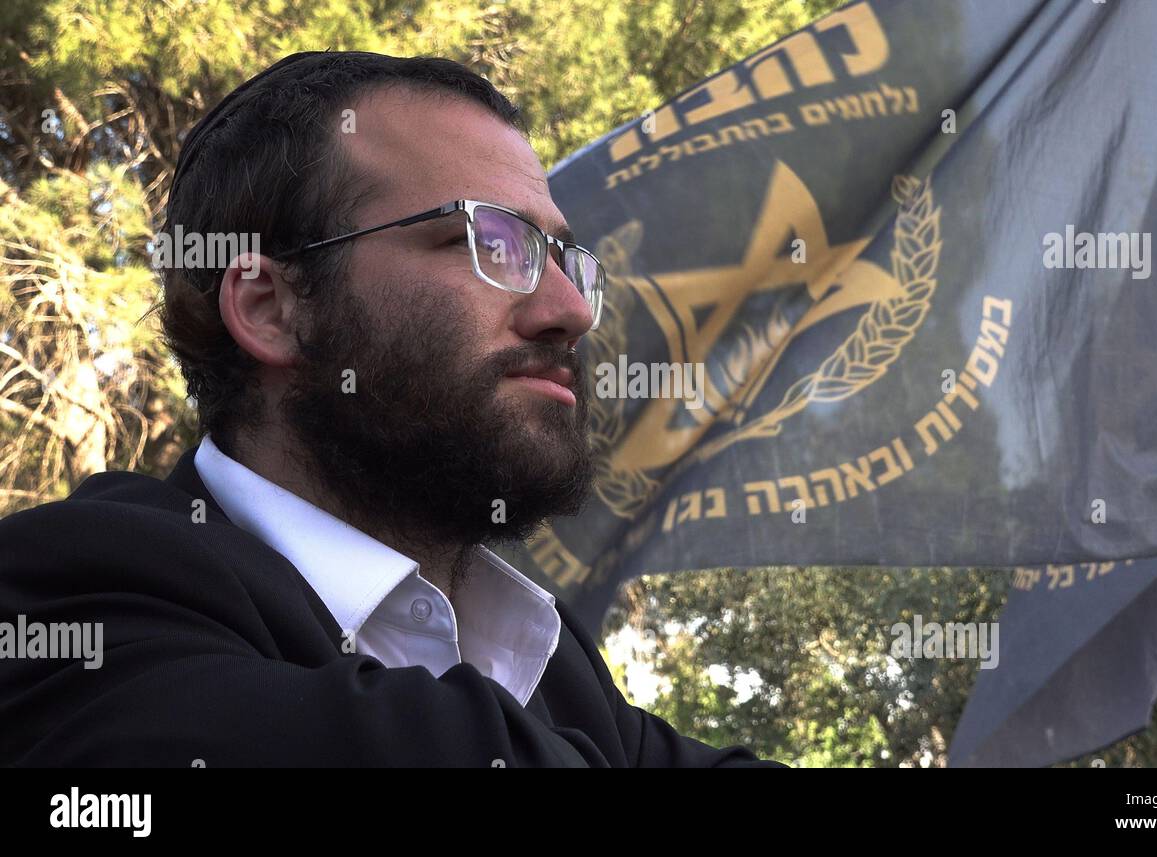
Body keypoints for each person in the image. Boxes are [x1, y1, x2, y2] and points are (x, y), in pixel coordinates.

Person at [0, 51, 782, 767]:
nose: (572, 310)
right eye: (489, 242)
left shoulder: (549, 658)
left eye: (562, 258)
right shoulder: (77, 591)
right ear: (271, 307)